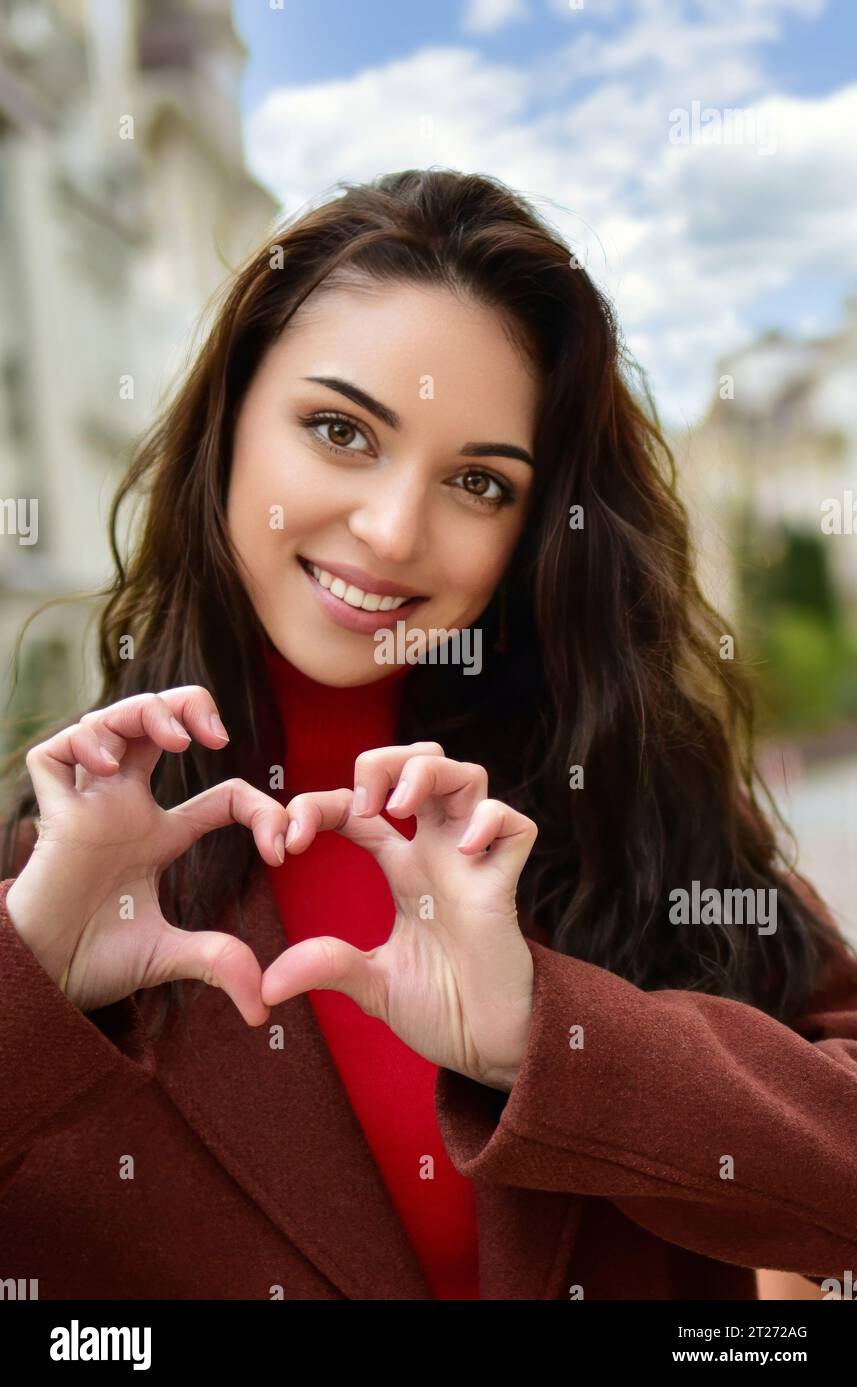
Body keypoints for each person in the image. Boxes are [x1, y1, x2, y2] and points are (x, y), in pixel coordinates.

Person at [1, 169, 855, 1302]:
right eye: (340, 429)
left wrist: (550, 1040)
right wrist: (28, 988)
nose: (393, 530)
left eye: (476, 481)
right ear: (229, 424)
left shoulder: (633, 800)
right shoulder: (51, 871)